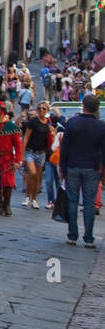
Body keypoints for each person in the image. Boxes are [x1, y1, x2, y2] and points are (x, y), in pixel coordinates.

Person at [58, 92, 105, 248]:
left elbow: (64, 147)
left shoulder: (72, 123)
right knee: (89, 203)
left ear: (83, 106)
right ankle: (89, 238)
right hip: (92, 168)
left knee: (72, 201)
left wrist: (62, 168)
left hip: (72, 166)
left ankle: (72, 236)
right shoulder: (101, 127)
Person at [22, 101, 53, 209]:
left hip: (42, 153)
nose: (41, 110)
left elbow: (50, 139)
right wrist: (22, 153)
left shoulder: (48, 123)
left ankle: (33, 199)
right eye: (39, 108)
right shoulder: (33, 122)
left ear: (47, 111)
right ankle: (27, 196)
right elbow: (26, 136)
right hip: (30, 151)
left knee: (37, 178)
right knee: (33, 173)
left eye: (44, 108)